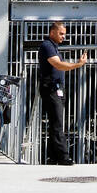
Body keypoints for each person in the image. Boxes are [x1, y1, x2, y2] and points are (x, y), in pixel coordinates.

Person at [38, 20, 87, 166]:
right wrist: (78, 64)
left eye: (64, 34)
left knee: (55, 123)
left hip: (57, 89)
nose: (63, 36)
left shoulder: (54, 47)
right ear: (52, 32)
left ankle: (52, 157)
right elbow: (58, 64)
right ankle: (63, 157)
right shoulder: (47, 46)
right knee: (58, 123)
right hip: (51, 88)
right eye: (61, 33)